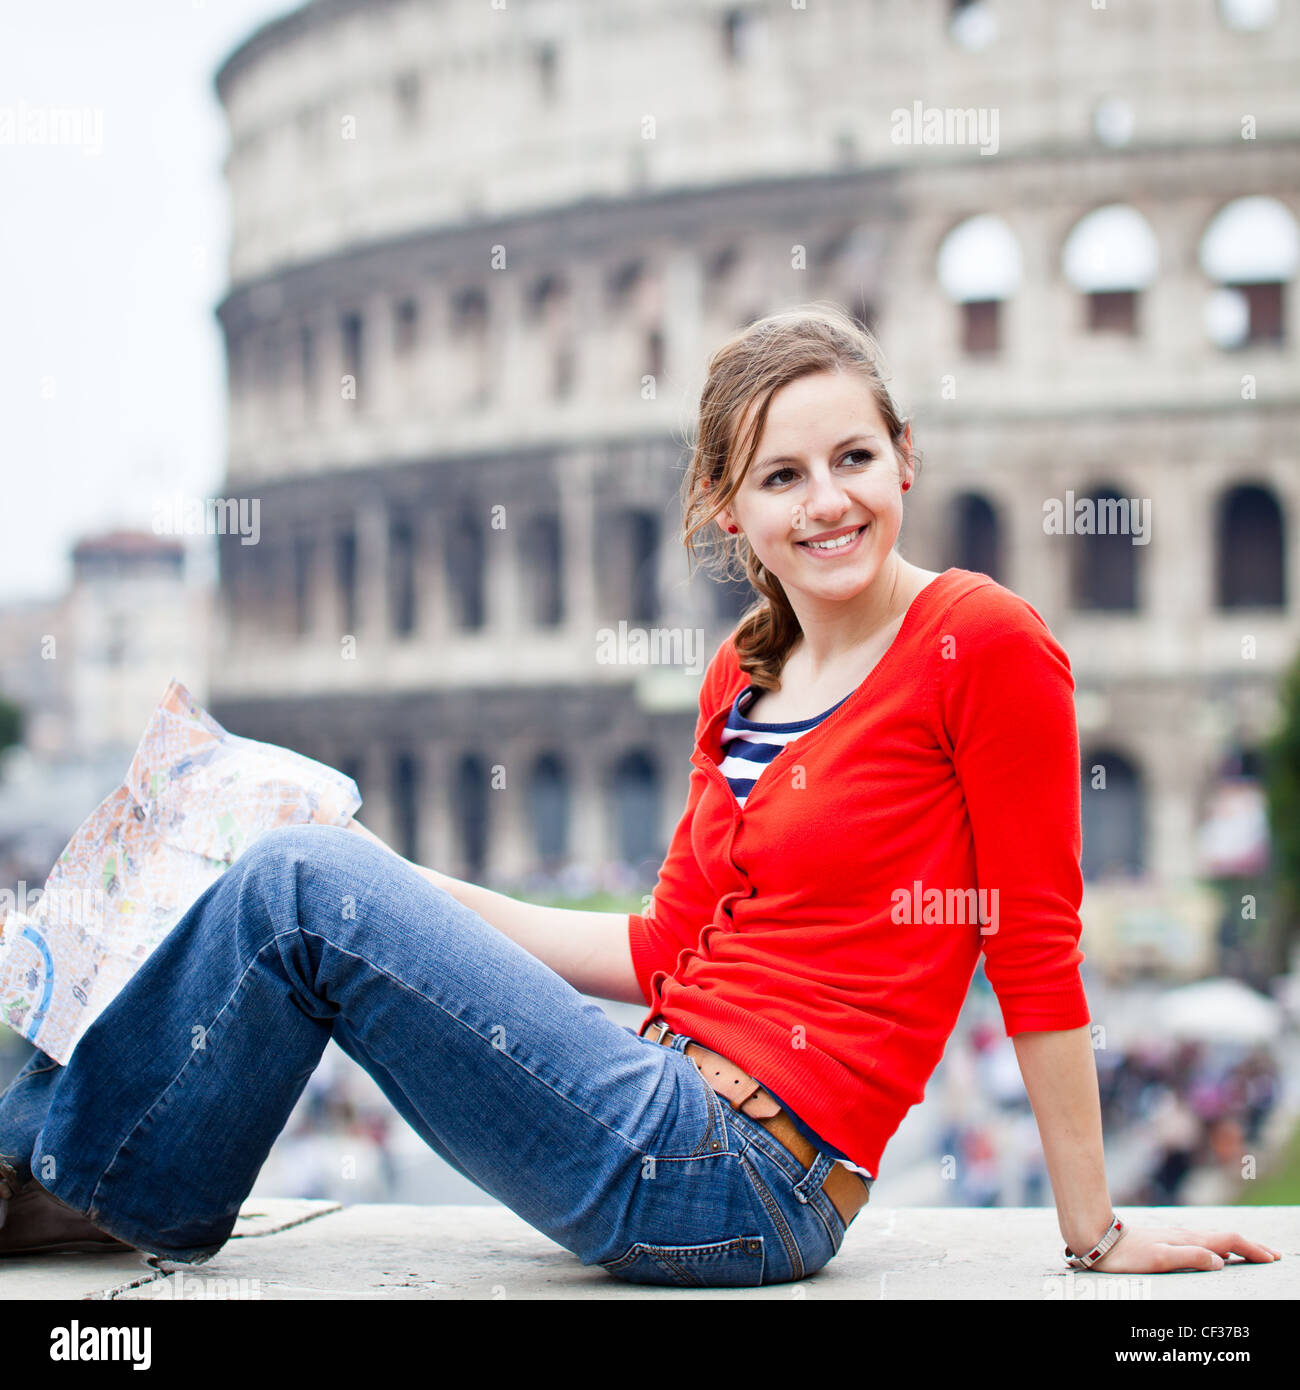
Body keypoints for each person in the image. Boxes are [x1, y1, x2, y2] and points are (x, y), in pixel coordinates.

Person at [0, 303, 1281, 1285]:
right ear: (730, 510)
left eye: (852, 457)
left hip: (745, 1181)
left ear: (906, 460)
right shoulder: (742, 670)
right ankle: (64, 1168)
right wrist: (387, 874)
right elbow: (661, 949)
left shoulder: (983, 641)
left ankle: (88, 1178)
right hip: (650, 1099)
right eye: (782, 477)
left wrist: (1095, 1233)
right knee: (300, 870)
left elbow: (1036, 943)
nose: (827, 501)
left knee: (295, 881)